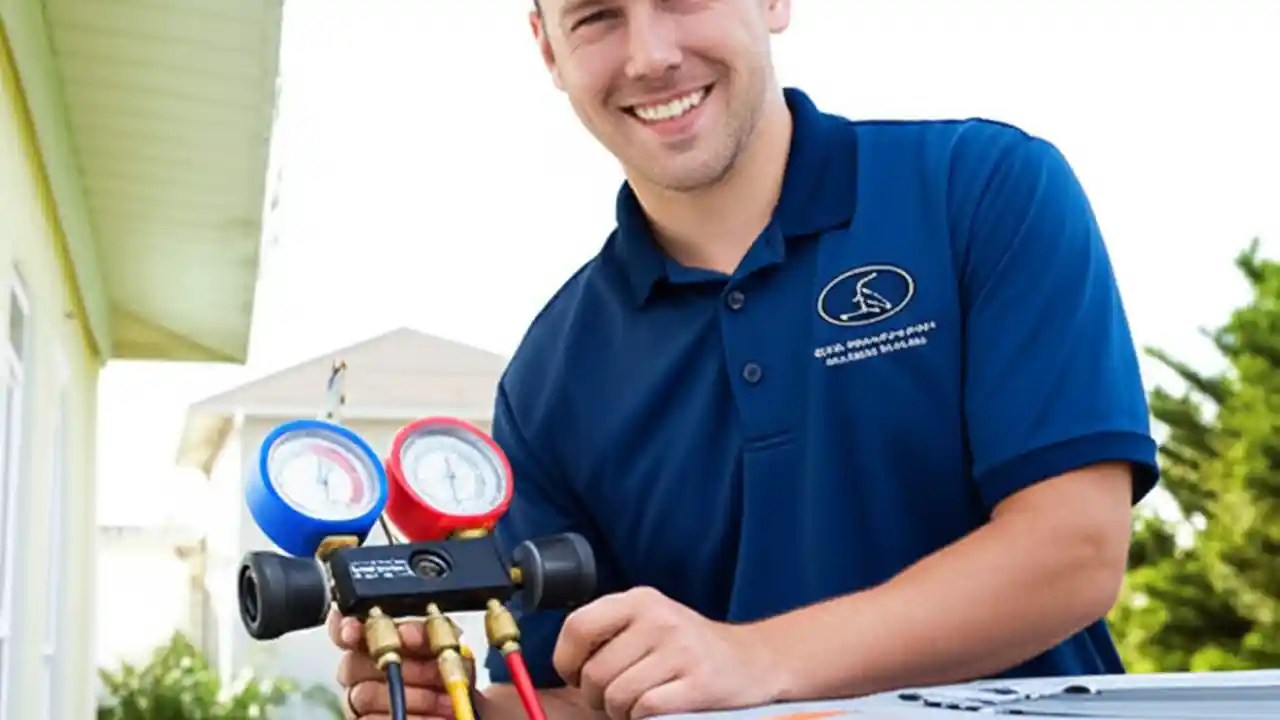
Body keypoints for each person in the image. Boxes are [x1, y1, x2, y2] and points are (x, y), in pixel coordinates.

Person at [330, 0, 1160, 718]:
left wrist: (756, 659)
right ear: (548, 48)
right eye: (596, 17)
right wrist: (477, 709)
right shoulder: (548, 380)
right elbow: (603, 695)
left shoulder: (981, 190)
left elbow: (1073, 552)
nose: (651, 55)